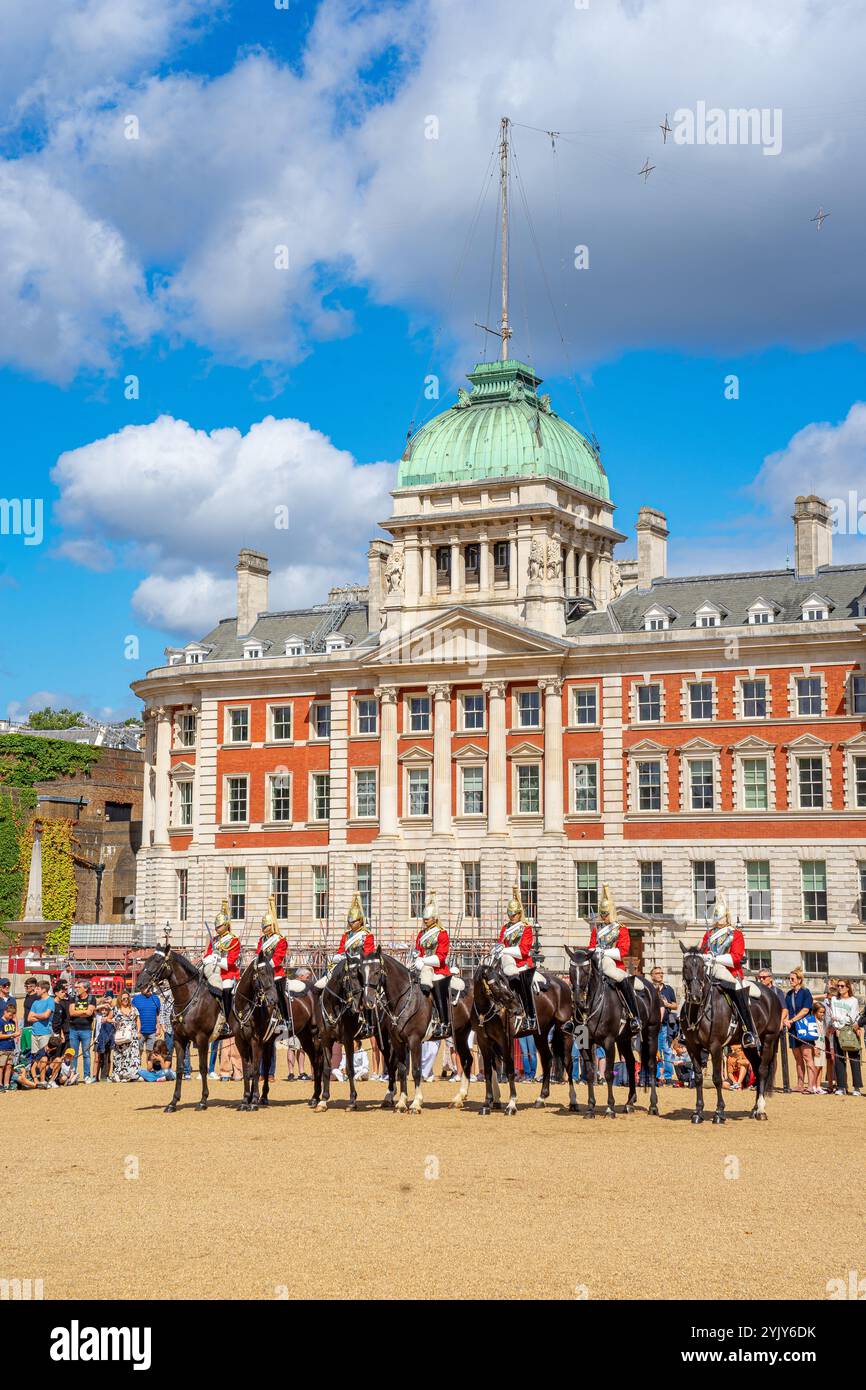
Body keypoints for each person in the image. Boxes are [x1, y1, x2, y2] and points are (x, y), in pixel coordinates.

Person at [699, 895, 760, 1050]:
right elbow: (703, 951)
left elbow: (737, 957)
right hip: (710, 972)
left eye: (719, 917)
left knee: (739, 995)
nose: (717, 921)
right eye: (716, 917)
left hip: (730, 973)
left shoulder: (735, 934)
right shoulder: (709, 934)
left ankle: (749, 1032)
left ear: (726, 917)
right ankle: (686, 1027)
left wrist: (715, 959)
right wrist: (704, 956)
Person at [588, 884, 641, 1037]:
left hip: (613, 965)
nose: (603, 916)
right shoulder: (596, 929)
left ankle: (633, 1016)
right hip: (596, 963)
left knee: (621, 979)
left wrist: (603, 951)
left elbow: (622, 951)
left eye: (605, 913)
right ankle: (578, 1020)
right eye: (602, 913)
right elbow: (591, 946)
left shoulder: (621, 929)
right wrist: (594, 951)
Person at [410, 891, 451, 1039]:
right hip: (422, 968)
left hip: (438, 969)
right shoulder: (421, 934)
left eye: (428, 919)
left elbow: (440, 957)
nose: (425, 921)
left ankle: (444, 1022)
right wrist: (416, 959)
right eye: (424, 919)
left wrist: (424, 961)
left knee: (438, 988)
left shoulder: (442, 934)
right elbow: (418, 951)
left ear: (434, 919)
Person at [498, 885, 537, 1032]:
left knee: (523, 983)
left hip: (522, 965)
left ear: (519, 914)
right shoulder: (505, 928)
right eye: (509, 914)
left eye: (514, 914)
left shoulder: (526, 928)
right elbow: (501, 943)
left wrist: (504, 950)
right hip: (507, 965)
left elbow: (524, 950)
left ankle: (531, 1016)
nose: (511, 916)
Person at [315, 893, 375, 989]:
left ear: (359, 921)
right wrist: (338, 957)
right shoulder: (346, 935)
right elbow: (341, 950)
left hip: (359, 965)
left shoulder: (367, 936)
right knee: (321, 984)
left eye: (353, 921)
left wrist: (353, 958)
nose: (350, 924)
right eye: (349, 921)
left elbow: (368, 953)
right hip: (345, 963)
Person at [203, 901, 241, 1034]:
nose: (216, 928)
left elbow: (230, 962)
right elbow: (207, 954)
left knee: (226, 989)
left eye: (219, 926)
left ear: (226, 925)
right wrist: (208, 959)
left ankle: (227, 1020)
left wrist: (216, 959)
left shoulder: (233, 940)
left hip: (227, 973)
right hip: (212, 971)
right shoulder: (214, 940)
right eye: (216, 926)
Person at [785, 967, 819, 1093]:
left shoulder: (806, 992)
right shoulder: (789, 994)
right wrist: (785, 1020)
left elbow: (805, 1010)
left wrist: (792, 1020)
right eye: (789, 979)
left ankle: (811, 1086)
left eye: (792, 979)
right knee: (798, 1058)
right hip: (793, 1030)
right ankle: (800, 1084)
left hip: (804, 1028)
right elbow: (787, 1010)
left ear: (799, 980)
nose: (790, 981)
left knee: (807, 1057)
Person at [256, 896, 289, 1024]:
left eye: (266, 926)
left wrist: (267, 966)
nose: (264, 928)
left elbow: (278, 958)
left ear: (272, 925)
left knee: (280, 994)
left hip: (276, 973)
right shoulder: (262, 940)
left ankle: (285, 1019)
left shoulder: (280, 939)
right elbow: (258, 955)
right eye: (263, 926)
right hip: (263, 973)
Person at [757, 968, 790, 1092]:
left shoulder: (777, 991)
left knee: (772, 1055)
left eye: (764, 977)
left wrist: (780, 1022)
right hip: (758, 1028)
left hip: (772, 1028)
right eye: (759, 977)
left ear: (770, 978)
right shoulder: (756, 991)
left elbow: (784, 1009)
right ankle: (759, 1081)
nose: (761, 979)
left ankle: (769, 1081)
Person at [827, 979, 862, 1096]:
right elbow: (832, 1015)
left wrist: (839, 1021)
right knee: (839, 1059)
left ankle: (857, 1088)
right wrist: (836, 1027)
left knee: (854, 1059)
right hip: (837, 1031)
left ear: (848, 987)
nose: (840, 988)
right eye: (838, 986)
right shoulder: (833, 999)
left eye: (842, 986)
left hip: (849, 1031)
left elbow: (852, 1017)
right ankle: (841, 1086)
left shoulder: (854, 1001)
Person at [650, 965, 677, 1083]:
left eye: (661, 973)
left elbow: (675, 1005)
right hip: (651, 1024)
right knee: (654, 1050)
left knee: (666, 1050)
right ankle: (656, 1075)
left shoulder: (668, 989)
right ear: (652, 976)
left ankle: (668, 1076)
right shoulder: (648, 988)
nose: (660, 975)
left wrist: (667, 1005)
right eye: (657, 973)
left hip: (665, 1024)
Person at [67, 979, 96, 1083]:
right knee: (73, 1054)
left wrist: (78, 1011)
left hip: (86, 1030)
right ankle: (73, 1075)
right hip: (73, 1029)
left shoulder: (92, 999)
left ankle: (87, 1076)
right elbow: (71, 1013)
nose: (77, 989)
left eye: (79, 987)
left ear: (86, 989)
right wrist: (84, 1011)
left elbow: (89, 1013)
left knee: (86, 1054)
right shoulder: (72, 998)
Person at [111, 993, 141, 1081]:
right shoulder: (116, 1009)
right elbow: (108, 1018)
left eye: (127, 998)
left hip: (132, 1035)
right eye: (124, 998)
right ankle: (120, 1075)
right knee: (120, 1055)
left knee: (132, 1055)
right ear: (120, 999)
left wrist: (138, 1032)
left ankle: (132, 1075)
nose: (126, 1000)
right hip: (121, 1036)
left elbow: (138, 1021)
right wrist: (114, 1022)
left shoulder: (134, 1009)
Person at [27, 980, 55, 1059]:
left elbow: (46, 1015)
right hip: (34, 1033)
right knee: (35, 1057)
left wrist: (35, 1015)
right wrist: (41, 1017)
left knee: (44, 1057)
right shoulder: (35, 1002)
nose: (36, 991)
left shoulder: (50, 1001)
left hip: (45, 1033)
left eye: (38, 989)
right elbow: (29, 1018)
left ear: (44, 990)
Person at [131, 985, 161, 1052]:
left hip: (152, 1032)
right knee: (137, 1053)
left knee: (150, 1054)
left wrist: (158, 1027)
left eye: (150, 987)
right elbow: (132, 1015)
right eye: (146, 987)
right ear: (141, 988)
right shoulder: (135, 1000)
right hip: (139, 1032)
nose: (148, 989)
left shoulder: (156, 999)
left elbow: (158, 1014)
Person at [93, 1001, 116, 1082]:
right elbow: (94, 1009)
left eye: (106, 1010)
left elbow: (114, 1010)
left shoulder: (111, 1018)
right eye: (102, 1010)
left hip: (107, 1041)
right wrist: (103, 1005)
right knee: (97, 1059)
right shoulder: (98, 1016)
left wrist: (109, 1007)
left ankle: (105, 1076)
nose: (104, 1011)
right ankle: (94, 1076)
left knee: (107, 1059)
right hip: (98, 1040)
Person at [0, 1001, 19, 1090]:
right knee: (1, 1066)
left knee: (9, 1066)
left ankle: (6, 1084)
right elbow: (0, 1035)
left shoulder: (11, 1021)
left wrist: (16, 1022)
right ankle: (0, 1084)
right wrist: (11, 1035)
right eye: (10, 1015)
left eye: (13, 1015)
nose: (11, 1017)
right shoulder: (1, 1022)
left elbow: (17, 1033)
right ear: (5, 1012)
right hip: (2, 1048)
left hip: (11, 1047)